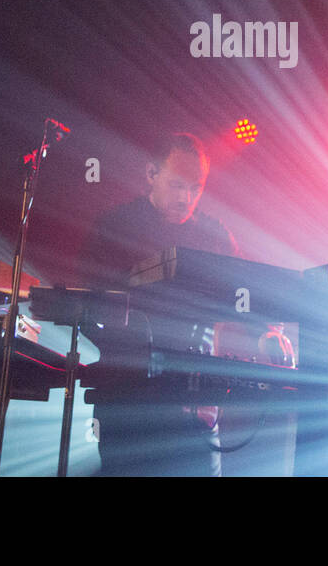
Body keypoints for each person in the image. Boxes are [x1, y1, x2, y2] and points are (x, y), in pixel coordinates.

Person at [75, 132, 241, 476]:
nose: (186, 198)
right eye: (177, 185)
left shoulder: (215, 235)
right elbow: (90, 307)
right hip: (128, 401)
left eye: (196, 189)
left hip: (196, 403)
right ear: (151, 175)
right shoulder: (114, 227)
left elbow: (238, 305)